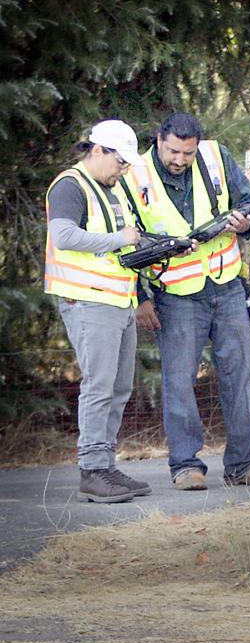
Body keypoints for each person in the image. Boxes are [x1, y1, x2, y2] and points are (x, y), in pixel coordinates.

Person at [128, 112, 250, 490]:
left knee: (240, 377)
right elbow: (125, 244)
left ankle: (245, 464)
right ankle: (185, 467)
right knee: (179, 382)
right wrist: (141, 297)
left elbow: (249, 202)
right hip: (176, 295)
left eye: (188, 153)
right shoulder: (135, 174)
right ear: (158, 140)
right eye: (173, 151)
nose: (180, 160)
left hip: (227, 287)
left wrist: (245, 222)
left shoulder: (216, 156)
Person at [45, 120, 152, 503]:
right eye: (119, 162)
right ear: (97, 151)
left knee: (118, 388)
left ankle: (105, 466)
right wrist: (118, 240)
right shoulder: (70, 185)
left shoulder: (113, 188)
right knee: (98, 387)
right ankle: (92, 470)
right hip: (88, 300)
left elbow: (124, 242)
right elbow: (64, 236)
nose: (123, 169)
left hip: (118, 300)